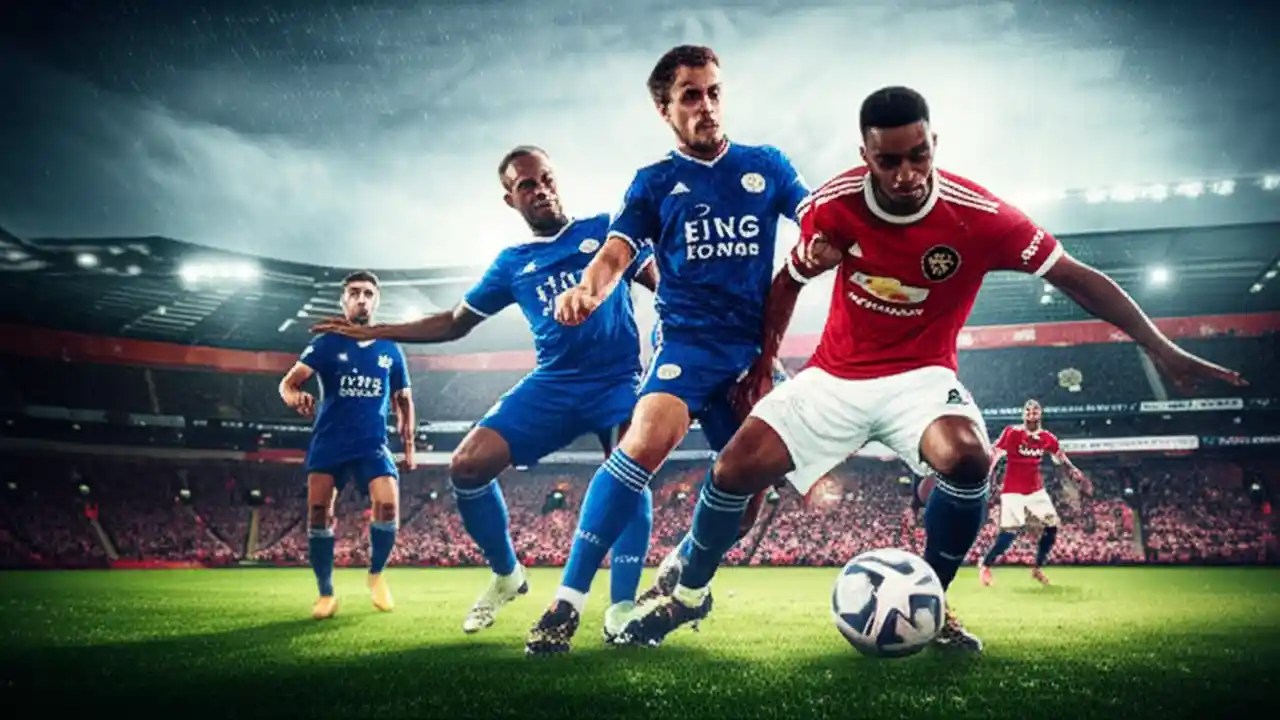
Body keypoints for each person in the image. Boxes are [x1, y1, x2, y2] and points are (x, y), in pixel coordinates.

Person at [620, 85, 1245, 652]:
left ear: (933, 143)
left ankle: (934, 600)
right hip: (835, 376)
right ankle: (689, 592)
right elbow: (788, 279)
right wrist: (765, 359)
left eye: (918, 155)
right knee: (732, 470)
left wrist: (1161, 348)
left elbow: (1080, 280)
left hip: (921, 377)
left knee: (969, 457)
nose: (906, 173)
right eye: (888, 160)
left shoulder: (983, 217)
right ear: (865, 156)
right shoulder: (832, 206)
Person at [526, 44, 812, 655]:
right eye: (690, 95)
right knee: (643, 444)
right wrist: (587, 289)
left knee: (747, 498)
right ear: (665, 108)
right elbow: (615, 253)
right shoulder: (655, 182)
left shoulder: (766, 165)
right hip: (686, 343)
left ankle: (681, 566)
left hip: (750, 354)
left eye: (713, 92)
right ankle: (565, 604)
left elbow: (812, 214)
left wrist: (830, 237)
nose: (706, 106)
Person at [312, 146, 660, 640]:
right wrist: (379, 331)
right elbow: (455, 323)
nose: (541, 190)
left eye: (546, 179)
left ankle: (621, 607)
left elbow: (660, 286)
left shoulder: (606, 228)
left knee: (632, 472)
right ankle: (506, 575)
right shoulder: (512, 263)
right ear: (510, 199)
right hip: (555, 383)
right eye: (526, 185)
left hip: (619, 379)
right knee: (467, 466)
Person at [279, 270, 415, 620]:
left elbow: (404, 398)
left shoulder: (390, 348)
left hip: (372, 444)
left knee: (387, 505)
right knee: (318, 514)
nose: (362, 299)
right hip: (330, 442)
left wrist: (410, 443)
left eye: (368, 293)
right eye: (355, 293)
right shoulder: (326, 343)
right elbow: (288, 382)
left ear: (376, 300)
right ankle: (326, 593)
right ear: (344, 300)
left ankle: (376, 576)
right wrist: (294, 396)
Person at [978, 399, 1091, 586]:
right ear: (1024, 415)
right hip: (1012, 491)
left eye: (1035, 410)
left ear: (1040, 414)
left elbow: (1060, 455)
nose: (1031, 413)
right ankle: (985, 565)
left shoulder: (1047, 438)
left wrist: (1072, 469)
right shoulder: (1012, 432)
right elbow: (995, 453)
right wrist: (988, 477)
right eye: (1028, 411)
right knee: (1009, 535)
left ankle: (1037, 568)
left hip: (1035, 491)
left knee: (1052, 526)